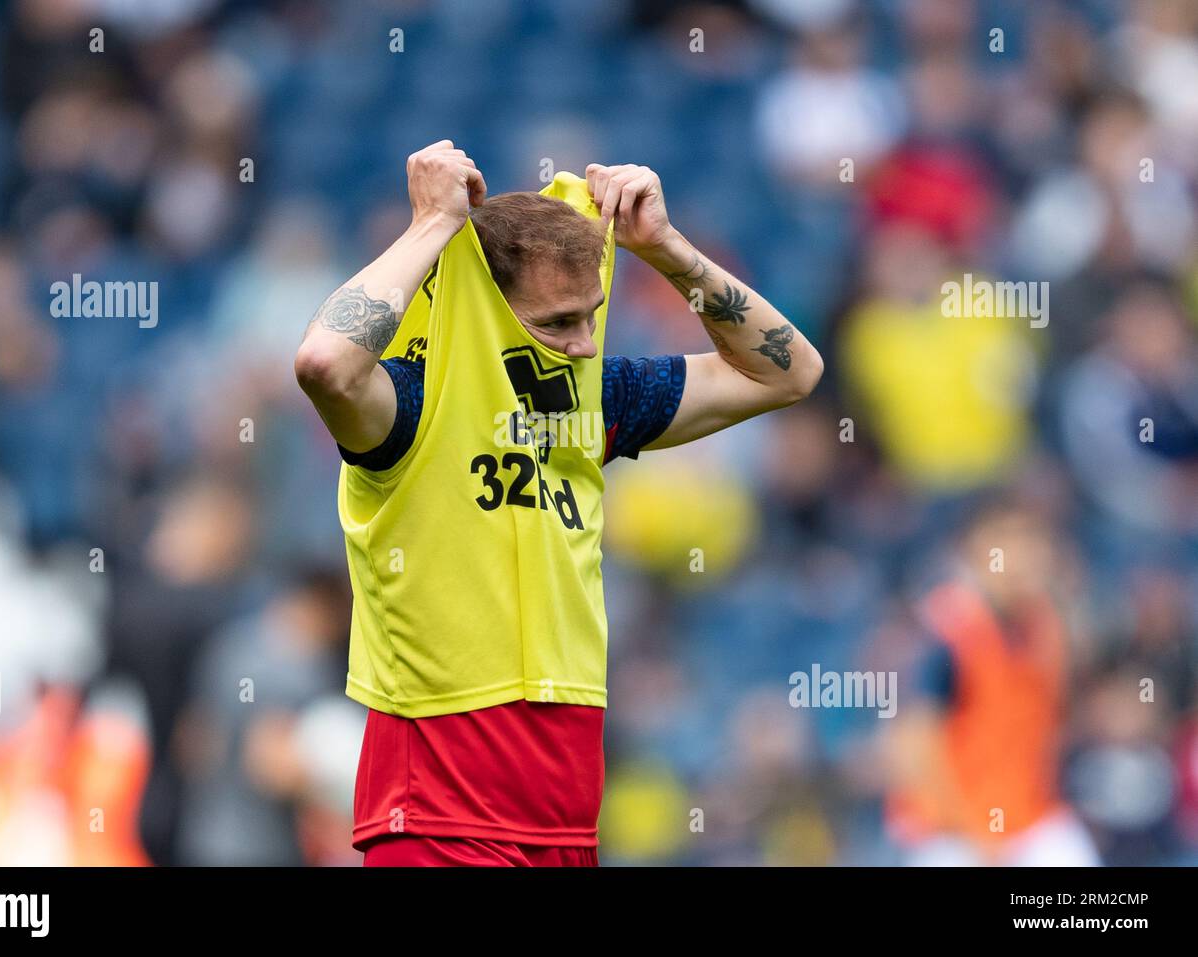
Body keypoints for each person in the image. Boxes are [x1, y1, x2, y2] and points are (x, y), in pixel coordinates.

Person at [294, 140, 823, 866]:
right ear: (490, 309)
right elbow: (323, 362)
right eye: (556, 322)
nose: (581, 345)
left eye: (590, 316)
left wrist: (665, 248)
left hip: (565, 820)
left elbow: (788, 371)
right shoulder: (408, 404)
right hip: (440, 816)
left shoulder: (594, 398)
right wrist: (429, 227)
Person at [884, 496, 1101, 866]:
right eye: (1006, 539)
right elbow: (910, 747)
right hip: (950, 829)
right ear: (972, 550)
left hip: (1029, 819)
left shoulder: (1045, 626)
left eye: (1032, 539)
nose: (1022, 553)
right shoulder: (943, 630)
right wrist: (975, 832)